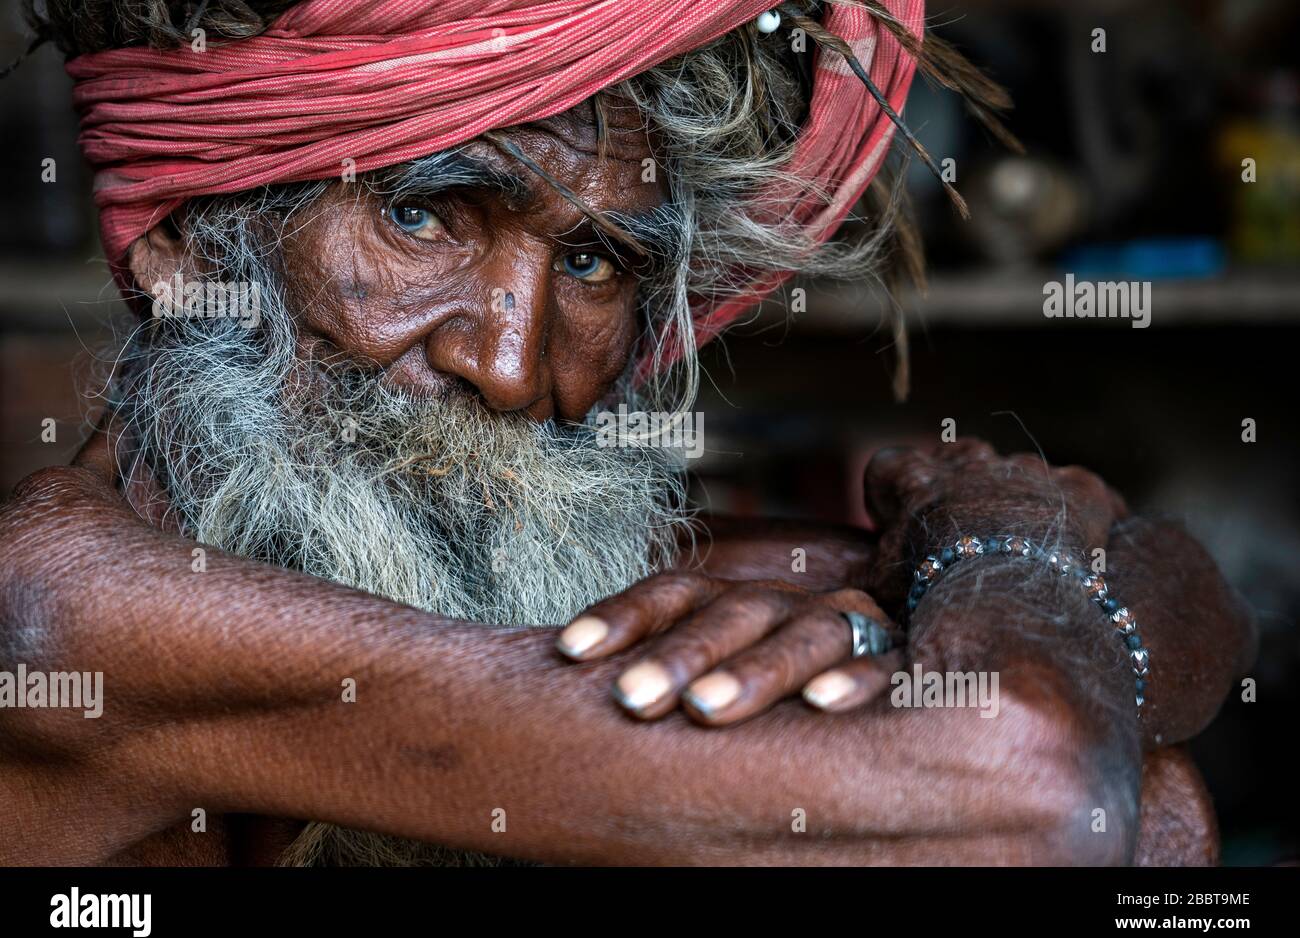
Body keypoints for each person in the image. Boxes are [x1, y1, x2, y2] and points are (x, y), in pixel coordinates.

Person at [0, 0, 1254, 866]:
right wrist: (998, 530)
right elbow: (1030, 789)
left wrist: (987, 589)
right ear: (179, 242)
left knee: (1166, 817)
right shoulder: (73, 614)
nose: (506, 363)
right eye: (427, 220)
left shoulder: (488, 565)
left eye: (594, 261)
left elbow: (1180, 590)